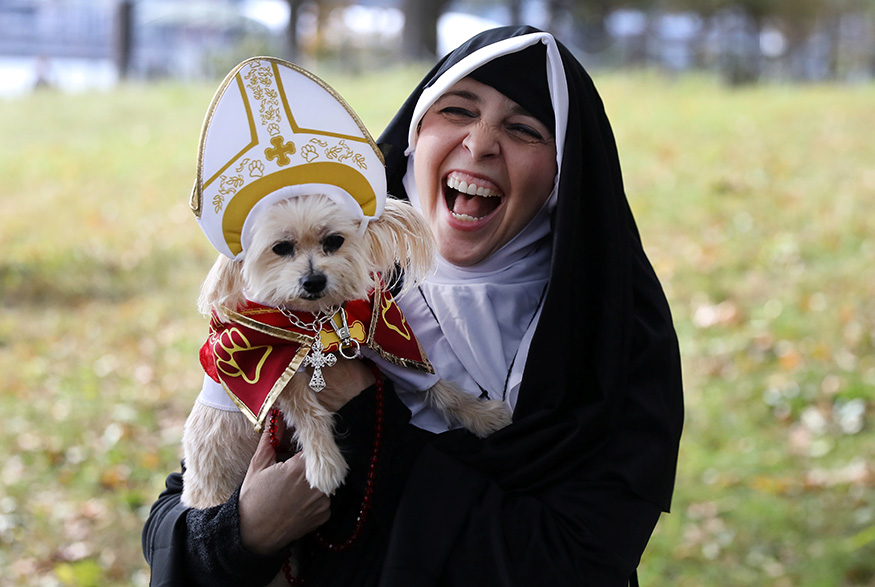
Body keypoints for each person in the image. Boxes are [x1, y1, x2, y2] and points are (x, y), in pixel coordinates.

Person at [143, 25, 683, 586]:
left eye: (523, 128)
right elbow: (177, 522)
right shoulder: (326, 285)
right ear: (415, 136)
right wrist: (244, 532)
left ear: (563, 171)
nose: (480, 144)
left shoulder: (611, 336)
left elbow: (579, 563)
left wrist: (363, 412)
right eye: (456, 111)